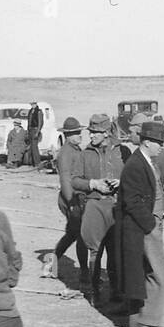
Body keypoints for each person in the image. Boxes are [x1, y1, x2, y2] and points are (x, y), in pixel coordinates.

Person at [113, 119, 164, 327]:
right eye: (158, 142)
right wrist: (150, 226)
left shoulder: (143, 161)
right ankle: (148, 321)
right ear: (146, 142)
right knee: (159, 274)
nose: (161, 146)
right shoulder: (136, 165)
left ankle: (140, 318)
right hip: (144, 227)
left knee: (146, 272)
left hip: (145, 226)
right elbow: (132, 201)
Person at [70, 113, 124, 303]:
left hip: (117, 207)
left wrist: (122, 181)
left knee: (115, 251)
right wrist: (93, 183)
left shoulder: (122, 152)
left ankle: (117, 293)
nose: (91, 135)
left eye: (95, 132)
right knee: (95, 250)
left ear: (107, 133)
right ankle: (94, 291)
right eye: (90, 132)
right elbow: (74, 180)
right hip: (94, 206)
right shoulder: (85, 154)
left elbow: (134, 176)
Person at [52, 116, 89, 286]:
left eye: (79, 132)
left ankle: (53, 260)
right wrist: (72, 203)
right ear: (67, 135)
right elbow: (65, 179)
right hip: (71, 199)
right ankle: (84, 273)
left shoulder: (76, 149)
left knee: (72, 234)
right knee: (80, 234)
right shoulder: (65, 153)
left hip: (78, 199)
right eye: (74, 133)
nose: (79, 135)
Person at [26, 100, 44, 169]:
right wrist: (28, 130)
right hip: (30, 130)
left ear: (36, 104)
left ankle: (37, 163)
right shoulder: (30, 111)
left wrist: (37, 132)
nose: (33, 105)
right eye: (31, 104)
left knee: (34, 147)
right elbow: (29, 121)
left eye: (34, 104)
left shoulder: (39, 111)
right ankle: (32, 162)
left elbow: (40, 123)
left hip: (35, 129)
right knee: (31, 147)